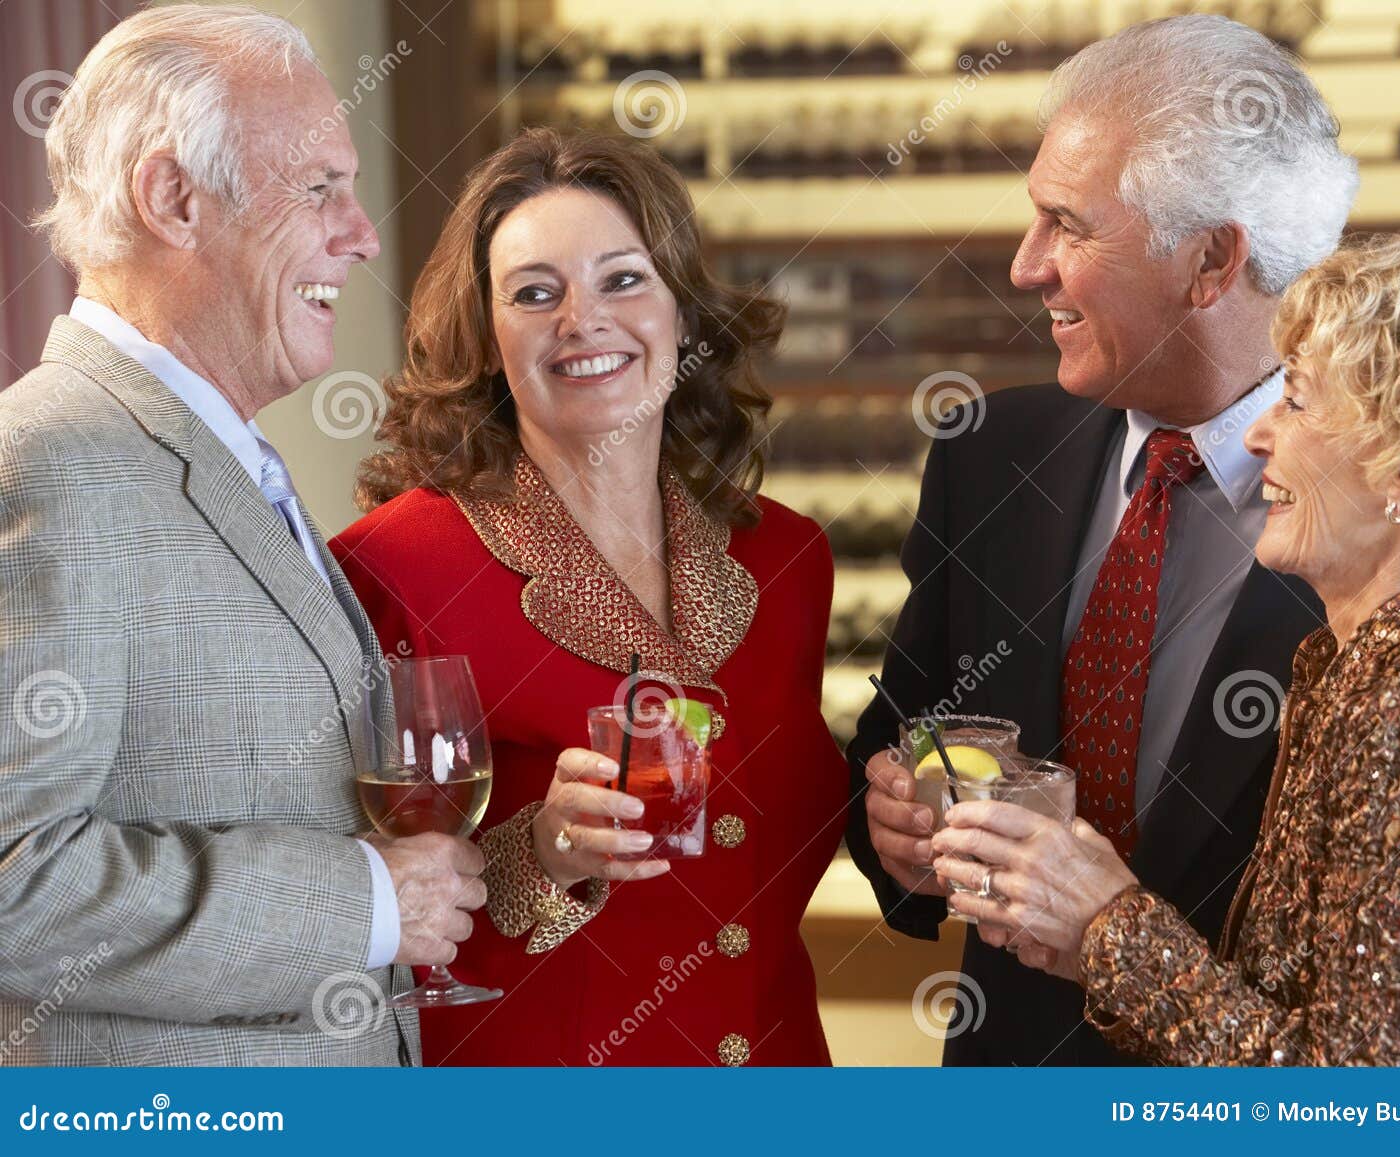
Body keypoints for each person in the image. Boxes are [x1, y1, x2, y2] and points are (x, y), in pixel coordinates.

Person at [847, 13, 1400, 1067]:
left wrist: (1109, 932)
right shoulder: (988, 452)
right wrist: (895, 824)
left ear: (1209, 262)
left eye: (1069, 225)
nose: (1026, 267)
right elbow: (907, 721)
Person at [0, 6, 485, 1066]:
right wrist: (358, 902)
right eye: (319, 186)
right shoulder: (51, 457)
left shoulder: (218, 450)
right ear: (173, 197)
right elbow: (13, 877)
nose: (361, 232)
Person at [329, 126, 847, 1067]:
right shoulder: (387, 569)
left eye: (623, 279)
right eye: (535, 293)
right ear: (485, 341)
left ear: (681, 313)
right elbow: (340, 911)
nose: (583, 319)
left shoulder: (789, 558)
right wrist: (542, 858)